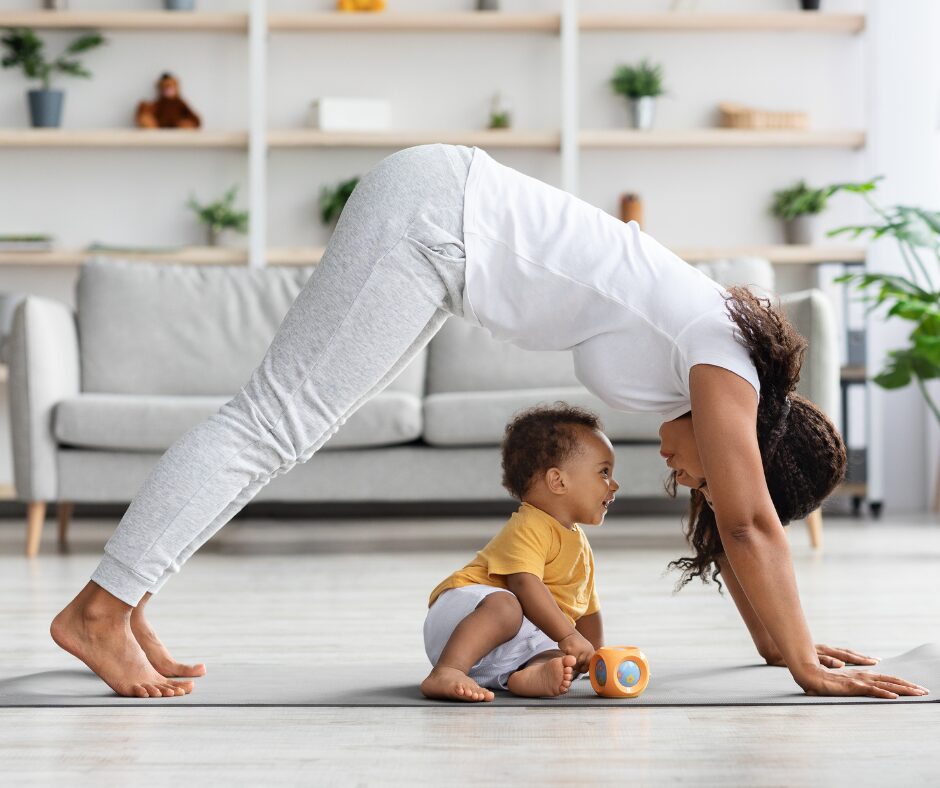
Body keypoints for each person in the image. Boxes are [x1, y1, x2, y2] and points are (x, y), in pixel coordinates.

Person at [51, 144, 927, 701]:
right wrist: (810, 671)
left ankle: (125, 607)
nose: (681, 476)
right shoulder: (722, 359)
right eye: (700, 473)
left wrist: (787, 647)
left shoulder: (709, 375)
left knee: (288, 431)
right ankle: (99, 610)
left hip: (443, 239)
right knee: (272, 424)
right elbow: (748, 522)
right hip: (436, 219)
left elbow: (730, 530)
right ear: (754, 448)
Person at [421, 404, 614, 702]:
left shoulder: (579, 543)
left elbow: (587, 608)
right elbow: (524, 584)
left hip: (499, 648)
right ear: (558, 481)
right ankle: (447, 670)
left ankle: (527, 675)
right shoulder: (530, 524)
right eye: (604, 472)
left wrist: (593, 656)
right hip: (463, 619)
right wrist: (570, 636)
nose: (614, 485)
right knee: (508, 606)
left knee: (560, 657)